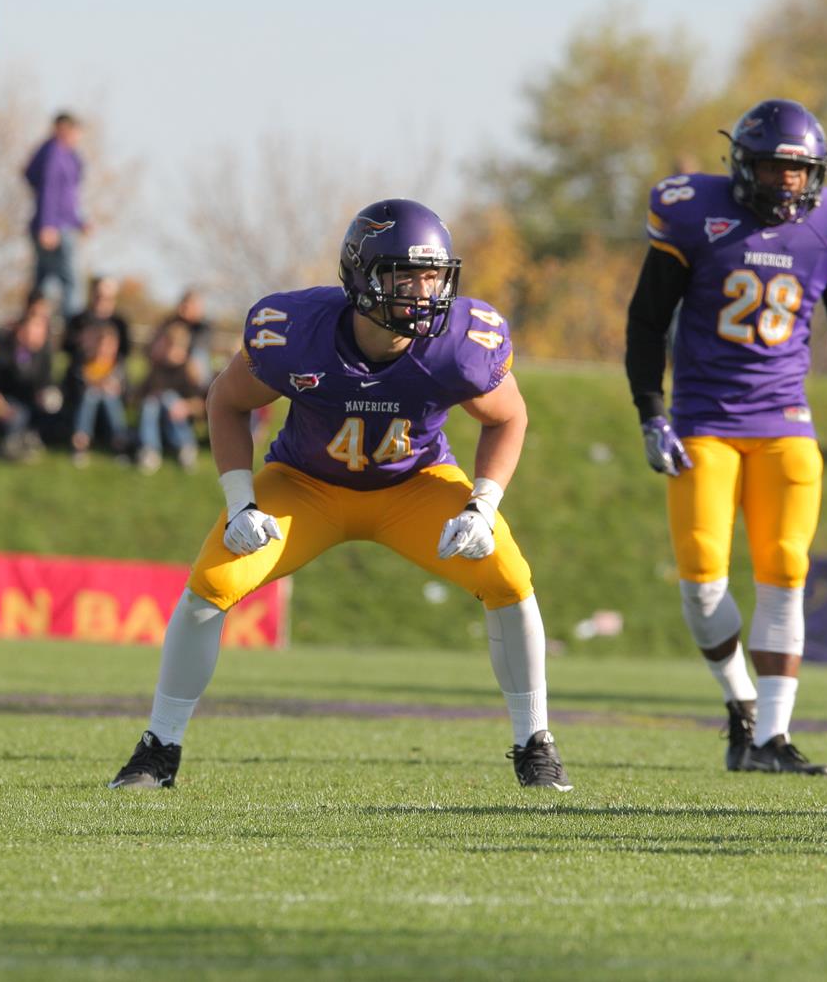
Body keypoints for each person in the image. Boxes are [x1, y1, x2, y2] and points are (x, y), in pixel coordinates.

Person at [108, 198, 571, 793]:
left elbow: (509, 416)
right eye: (406, 276)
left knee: (508, 576)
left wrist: (483, 504)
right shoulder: (297, 333)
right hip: (307, 485)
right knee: (212, 583)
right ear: (363, 276)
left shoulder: (458, 344)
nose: (424, 292)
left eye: (433, 276)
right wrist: (240, 500)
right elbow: (226, 401)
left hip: (415, 484)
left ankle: (535, 743)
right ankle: (158, 748)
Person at [623, 99, 827, 776]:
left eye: (799, 171)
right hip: (704, 420)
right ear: (744, 166)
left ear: (818, 171)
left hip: (784, 421)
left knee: (785, 569)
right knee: (702, 579)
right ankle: (741, 703)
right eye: (775, 169)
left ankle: (773, 737)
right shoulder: (694, 213)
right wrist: (651, 412)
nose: (787, 183)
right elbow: (647, 320)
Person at [23, 112, 90, 318]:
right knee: (70, 280)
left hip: (61, 223)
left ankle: (37, 320)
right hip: (56, 227)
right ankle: (72, 323)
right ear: (64, 129)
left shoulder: (65, 155)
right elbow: (49, 191)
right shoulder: (54, 154)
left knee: (44, 278)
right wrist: (48, 224)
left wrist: (79, 221)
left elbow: (67, 197)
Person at [0, 305, 56, 461]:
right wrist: (0, 407)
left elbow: (46, 383)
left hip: (34, 404)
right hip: (10, 403)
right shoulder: (6, 353)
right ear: (21, 331)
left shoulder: (44, 354)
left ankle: (30, 438)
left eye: (42, 329)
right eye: (35, 328)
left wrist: (45, 396)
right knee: (18, 416)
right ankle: (9, 445)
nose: (40, 333)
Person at [135, 319, 202, 473]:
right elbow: (138, 395)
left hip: (178, 424)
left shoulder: (188, 370)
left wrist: (185, 406)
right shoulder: (157, 367)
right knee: (151, 402)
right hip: (156, 423)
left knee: (169, 397)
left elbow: (201, 404)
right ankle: (150, 450)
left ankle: (186, 447)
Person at [63, 318, 128, 465]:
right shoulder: (81, 363)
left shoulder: (119, 366)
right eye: (103, 344)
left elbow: (127, 394)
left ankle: (120, 442)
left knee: (109, 395)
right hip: (84, 411)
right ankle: (81, 442)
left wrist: (117, 389)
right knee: (91, 394)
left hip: (109, 413)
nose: (106, 349)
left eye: (111, 345)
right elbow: (69, 389)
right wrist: (91, 385)